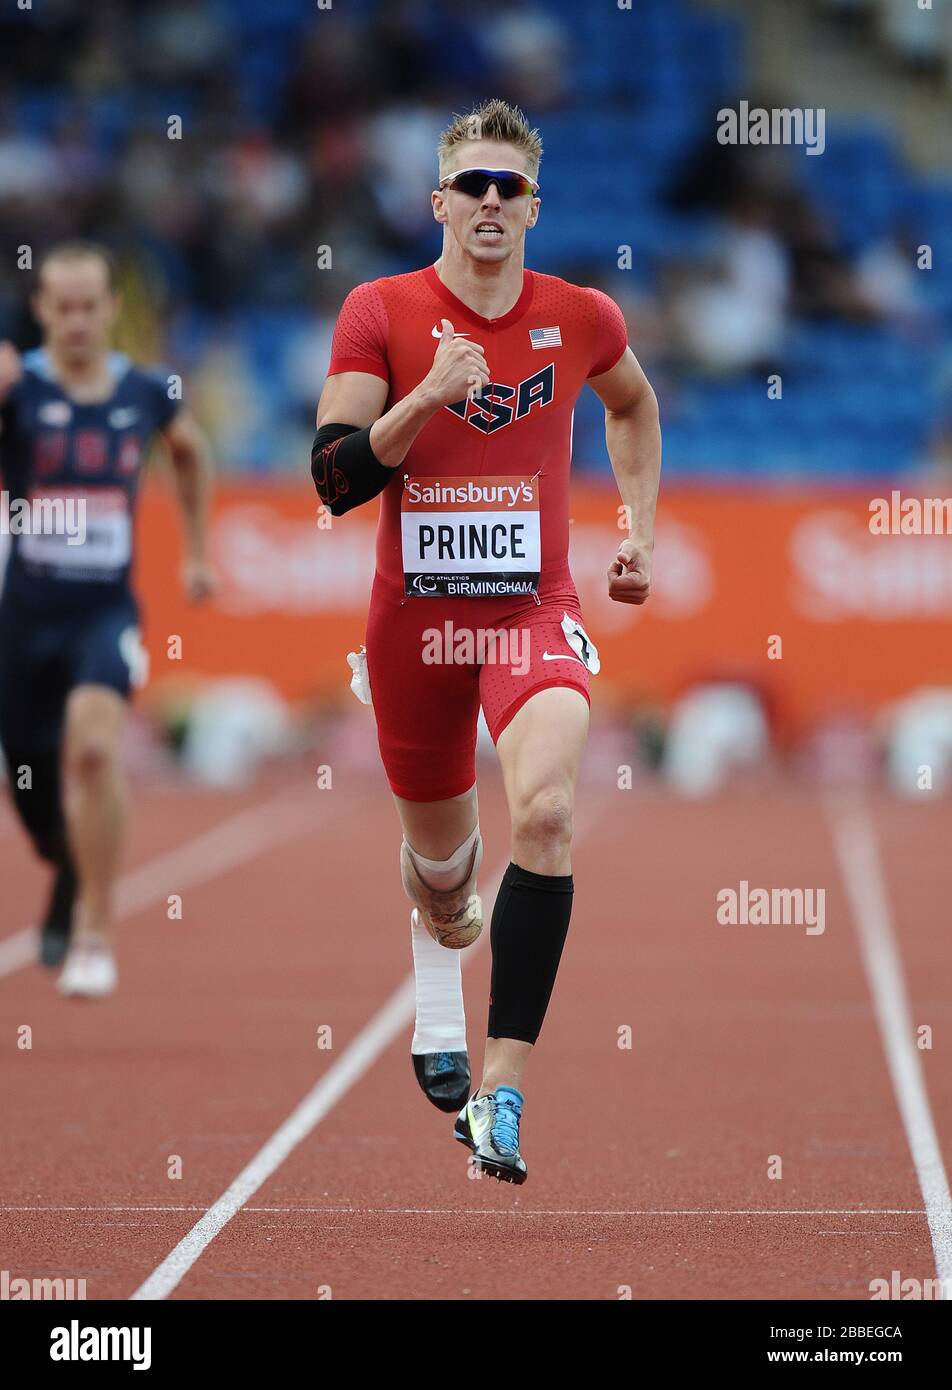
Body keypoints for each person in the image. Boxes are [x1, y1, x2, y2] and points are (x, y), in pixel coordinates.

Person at [312, 100, 660, 1183]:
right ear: (440, 204)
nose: (493, 202)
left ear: (535, 207)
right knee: (448, 882)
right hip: (415, 621)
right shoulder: (379, 309)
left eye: (512, 187)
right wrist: (424, 397)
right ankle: (435, 962)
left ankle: (499, 1093)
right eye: (475, 186)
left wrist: (638, 527)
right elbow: (331, 479)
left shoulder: (581, 315)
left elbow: (633, 408)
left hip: (529, 608)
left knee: (548, 810)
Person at [0, 241, 216, 995]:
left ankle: (95, 926)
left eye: (91, 306)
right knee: (29, 794)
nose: (79, 321)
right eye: (63, 308)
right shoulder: (16, 389)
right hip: (24, 614)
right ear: (41, 312)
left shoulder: (147, 392)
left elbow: (190, 453)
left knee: (93, 751)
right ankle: (67, 865)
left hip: (104, 609)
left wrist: (195, 552)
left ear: (111, 309)